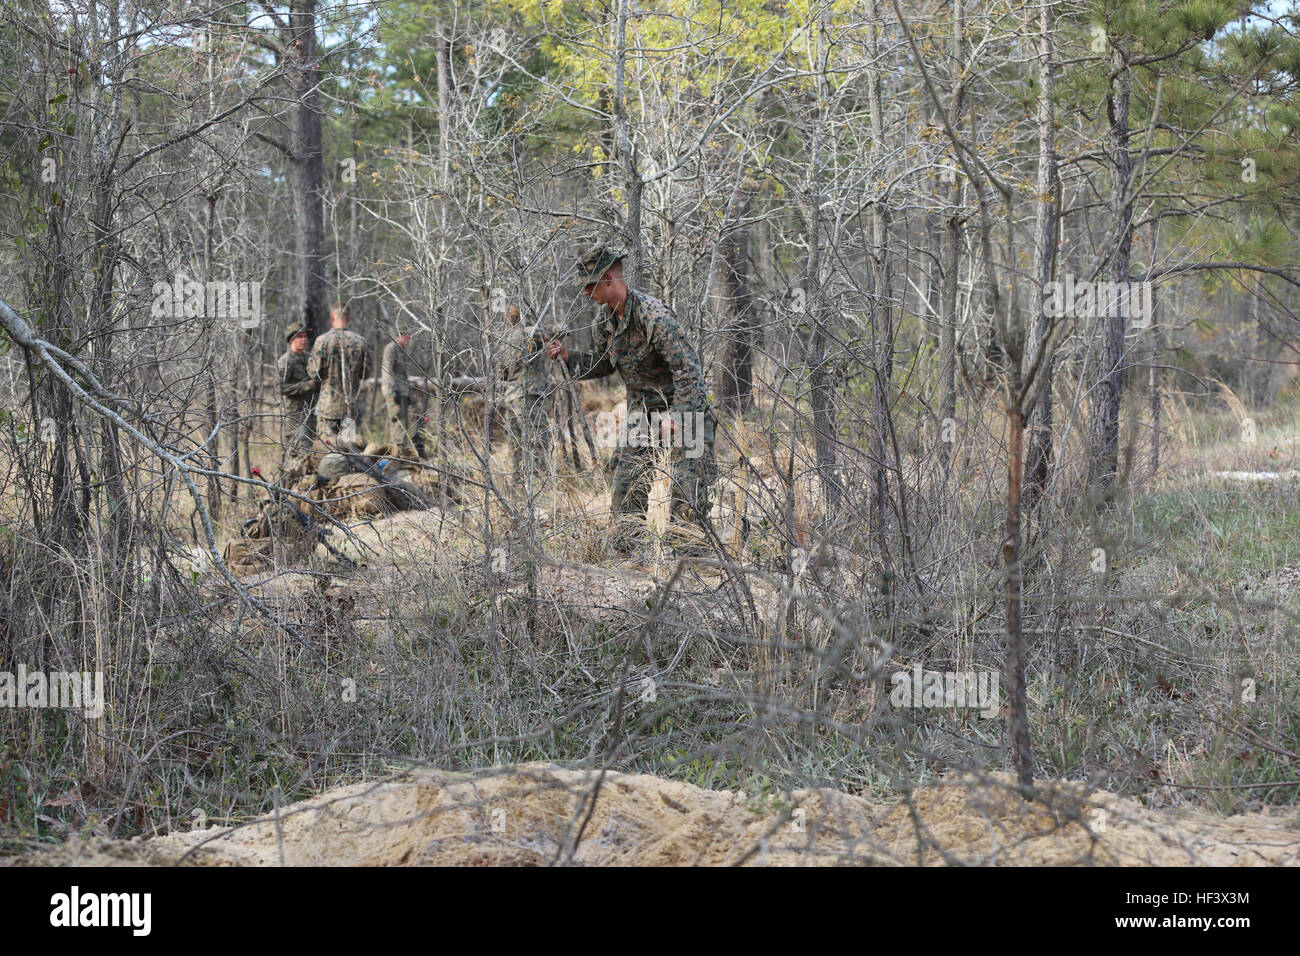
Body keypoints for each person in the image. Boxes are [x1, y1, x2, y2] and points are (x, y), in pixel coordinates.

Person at [546, 246, 716, 548]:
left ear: (609, 278)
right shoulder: (605, 321)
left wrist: (677, 417)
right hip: (643, 414)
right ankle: (629, 561)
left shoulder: (654, 316)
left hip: (687, 410)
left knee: (688, 495)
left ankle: (690, 564)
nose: (585, 293)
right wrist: (568, 357)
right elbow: (602, 364)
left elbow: (690, 371)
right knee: (626, 487)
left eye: (589, 285)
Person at [499, 304, 554, 488]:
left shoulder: (504, 341)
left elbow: (502, 374)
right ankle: (539, 485)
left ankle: (518, 485)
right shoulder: (531, 333)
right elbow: (555, 332)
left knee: (516, 446)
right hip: (530, 395)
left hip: (511, 397)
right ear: (523, 317)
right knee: (537, 441)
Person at [308, 302, 372, 442]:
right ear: (348, 319)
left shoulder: (322, 341)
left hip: (328, 407)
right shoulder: (360, 341)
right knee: (350, 452)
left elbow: (314, 374)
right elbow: (366, 373)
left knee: (327, 452)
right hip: (351, 406)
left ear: (332, 317)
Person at [277, 324, 318, 467]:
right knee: (300, 454)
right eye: (299, 337)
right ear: (291, 340)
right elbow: (282, 387)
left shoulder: (309, 358)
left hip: (311, 413)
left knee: (313, 451)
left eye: (305, 336)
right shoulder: (286, 361)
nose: (303, 340)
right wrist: (306, 386)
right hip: (295, 416)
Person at [380, 329, 417, 455]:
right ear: (399, 335)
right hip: (394, 390)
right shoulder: (391, 349)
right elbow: (387, 370)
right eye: (406, 335)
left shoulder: (402, 350)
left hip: (403, 390)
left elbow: (403, 374)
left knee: (404, 422)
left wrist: (408, 393)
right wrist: (393, 390)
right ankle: (397, 452)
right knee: (398, 420)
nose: (409, 337)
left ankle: (401, 451)